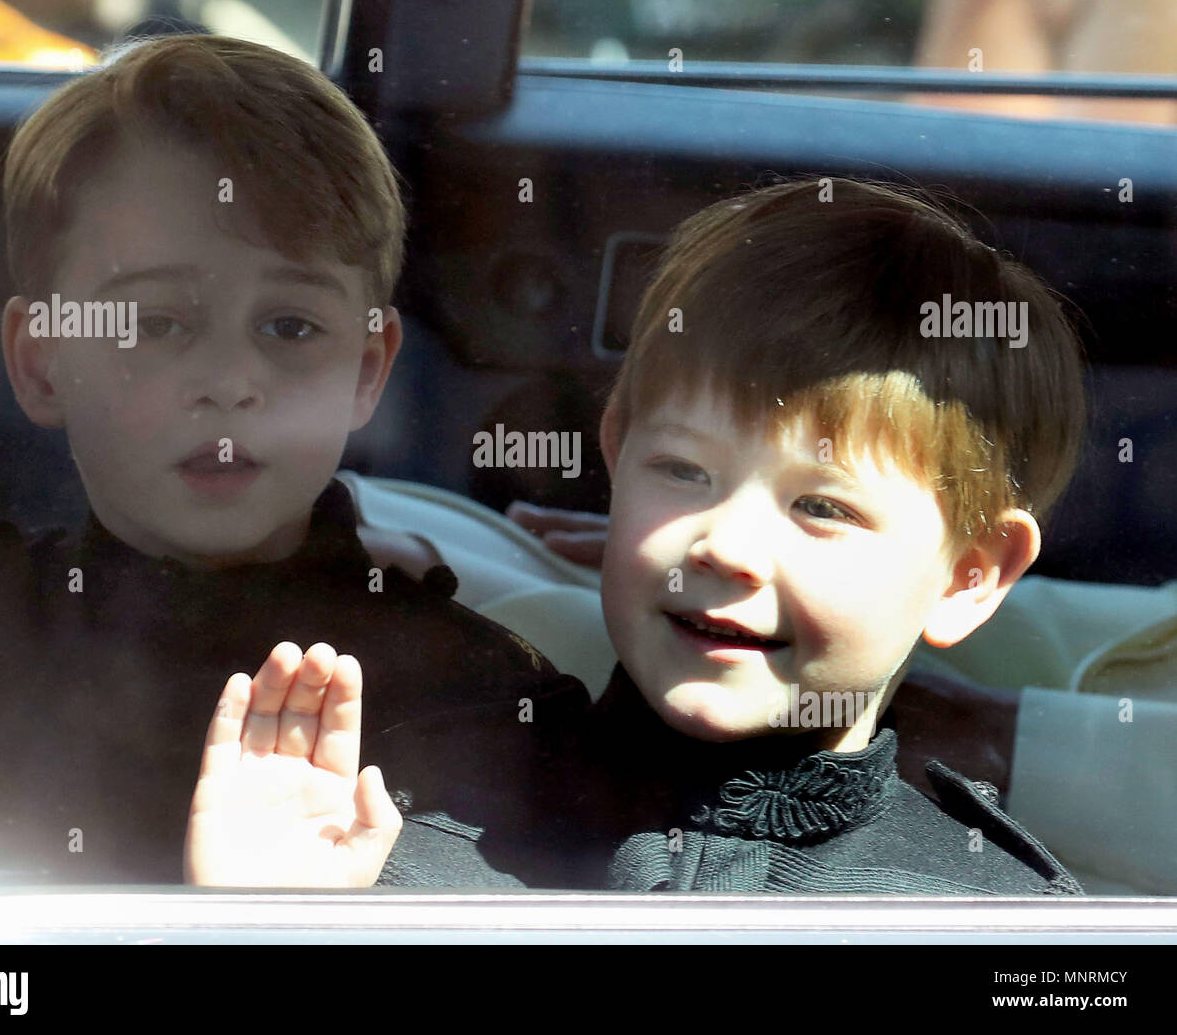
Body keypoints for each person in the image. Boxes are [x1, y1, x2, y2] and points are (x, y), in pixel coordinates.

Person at [193, 178, 1088, 894]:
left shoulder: (986, 917)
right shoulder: (398, 817)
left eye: (822, 507)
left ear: (970, 575)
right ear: (616, 453)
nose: (724, 547)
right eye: (685, 473)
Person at [0, 33, 577, 887]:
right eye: (155, 324)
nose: (230, 384)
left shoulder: (486, 699)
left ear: (368, 370)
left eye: (290, 327)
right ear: (42, 361)